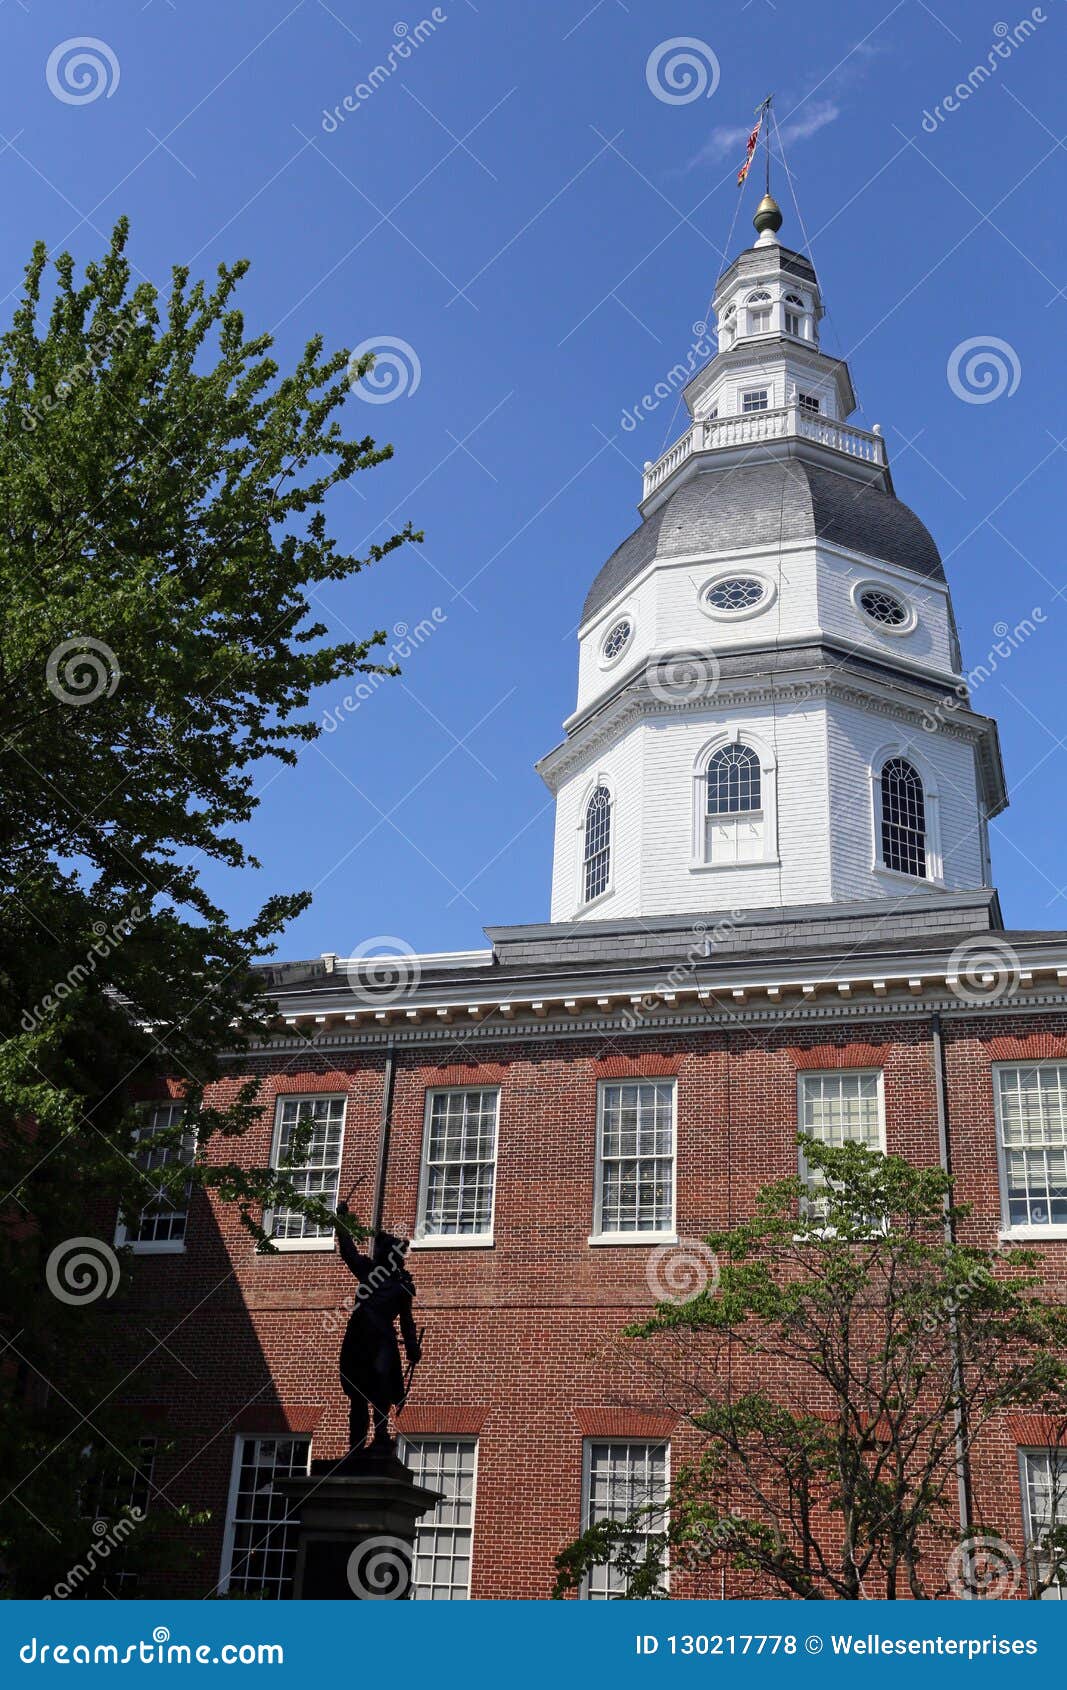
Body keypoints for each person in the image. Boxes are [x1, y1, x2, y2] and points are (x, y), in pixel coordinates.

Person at [334, 1201, 421, 1451]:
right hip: (360, 1340)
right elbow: (348, 1251)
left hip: (381, 1341)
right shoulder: (368, 1271)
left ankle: (380, 1434)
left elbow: (406, 1320)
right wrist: (341, 1223)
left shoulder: (401, 1286)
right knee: (358, 1391)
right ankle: (356, 1445)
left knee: (380, 1387)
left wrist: (412, 1347)